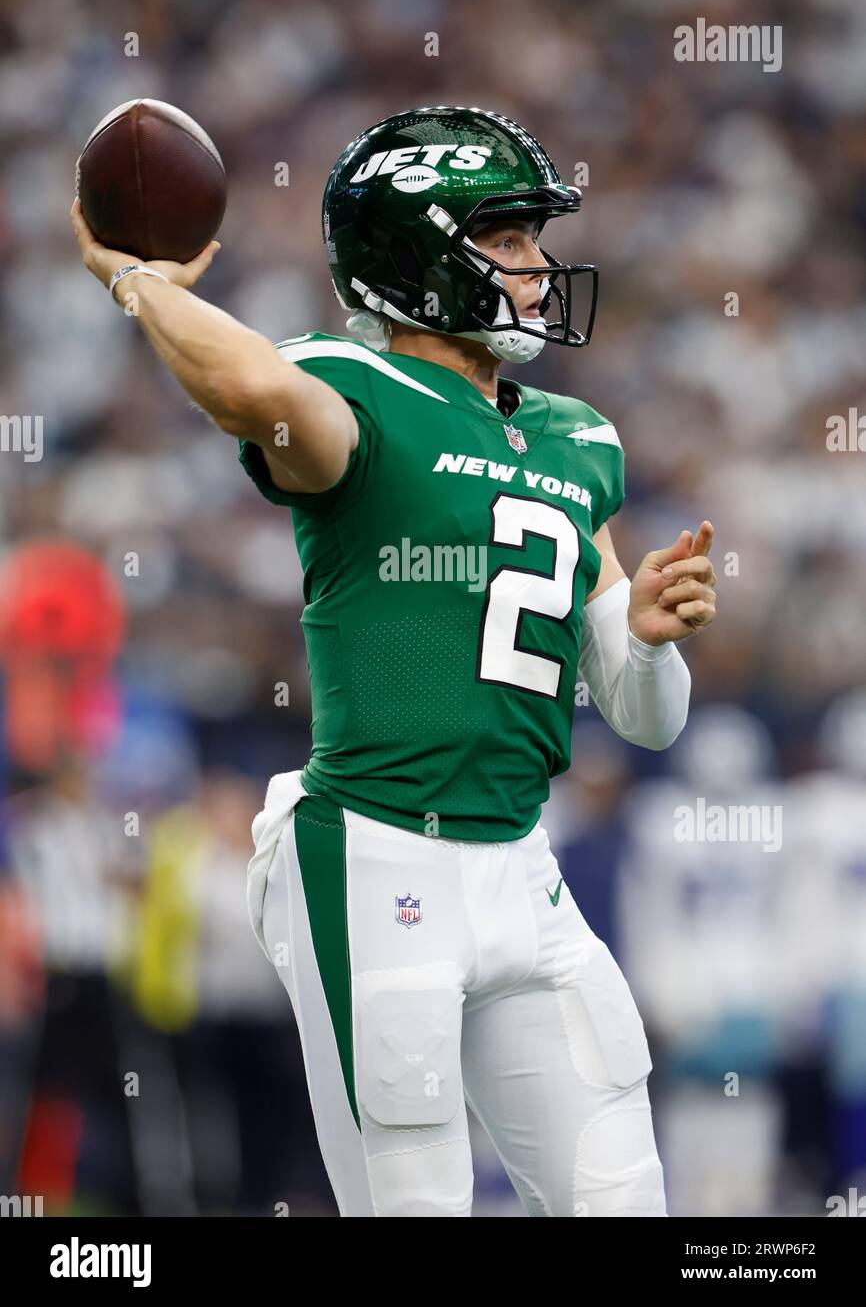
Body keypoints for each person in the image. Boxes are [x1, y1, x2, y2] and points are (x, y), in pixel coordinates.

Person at [71, 105, 717, 1217]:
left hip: (523, 866)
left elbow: (644, 712)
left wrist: (646, 638)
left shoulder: (575, 438)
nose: (535, 266)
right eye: (506, 239)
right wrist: (141, 283)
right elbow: (258, 394)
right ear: (420, 259)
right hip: (378, 860)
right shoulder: (352, 393)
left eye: (530, 238)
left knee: (624, 1204)